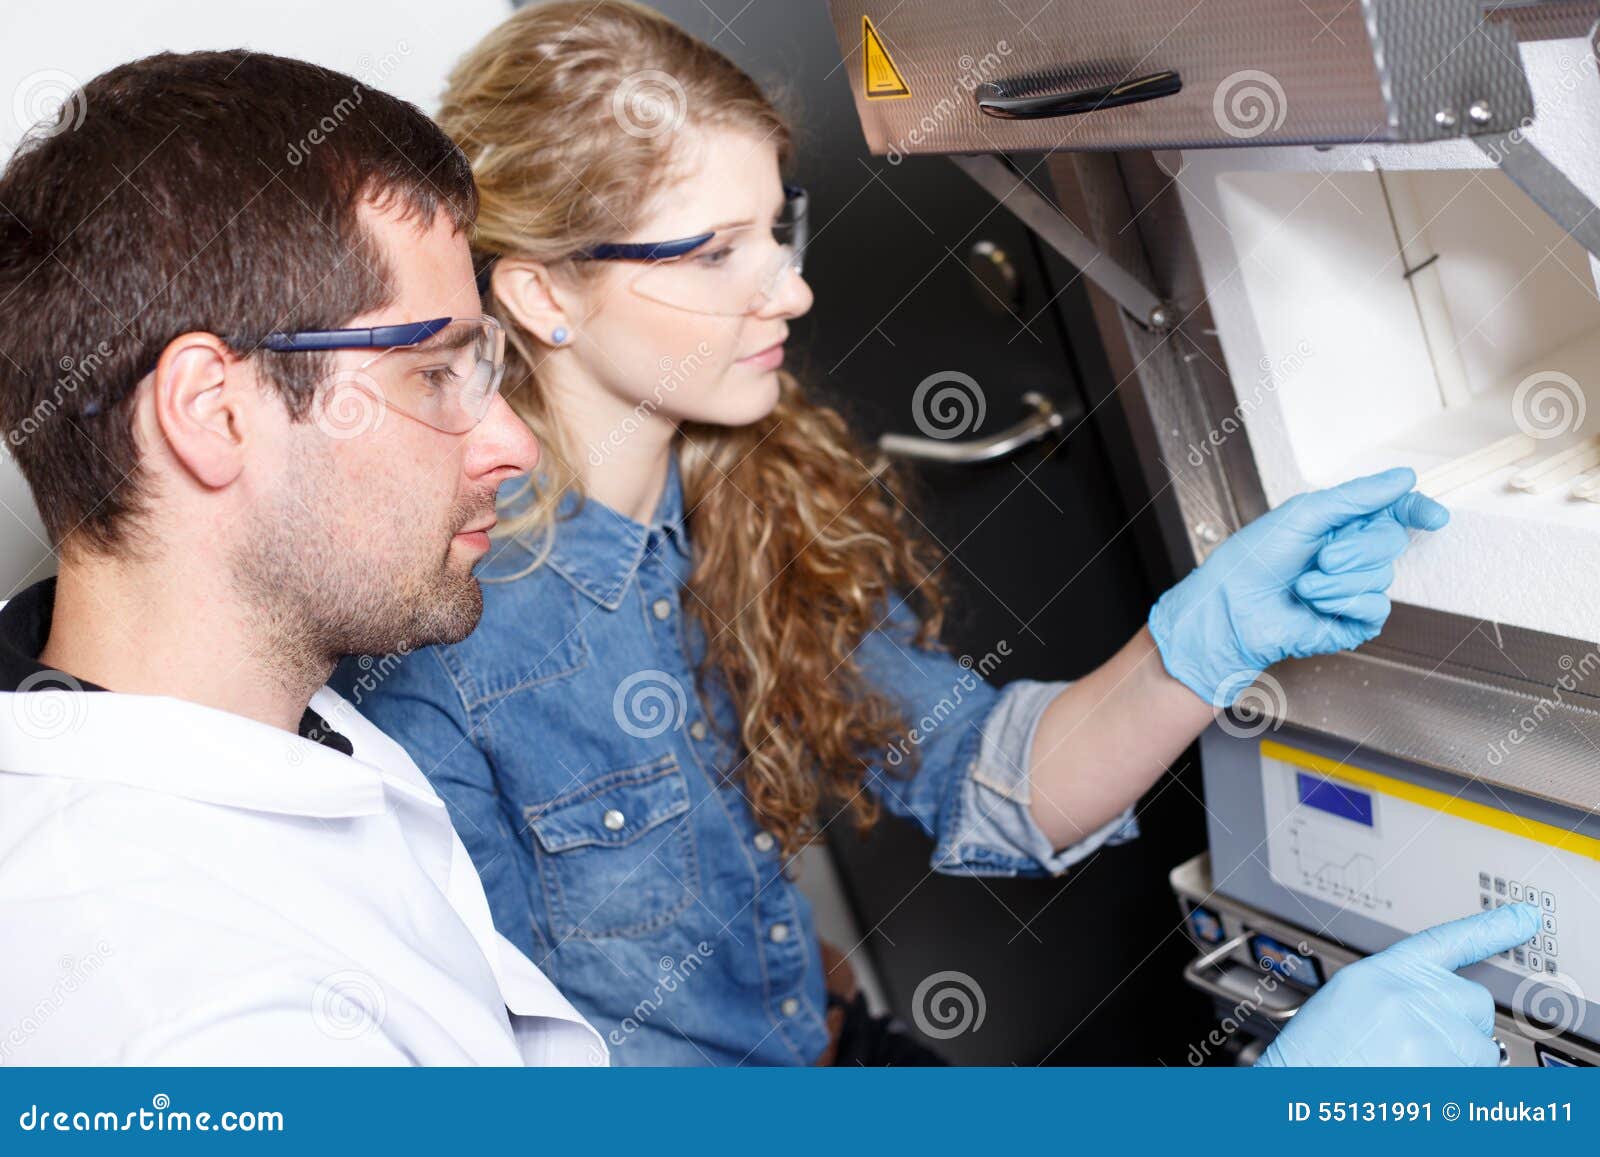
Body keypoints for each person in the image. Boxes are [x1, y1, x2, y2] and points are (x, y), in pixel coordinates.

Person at [335, 0, 1539, 1066]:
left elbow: (988, 784)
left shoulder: (747, 492)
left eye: (777, 229)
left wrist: (1201, 643)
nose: (791, 291)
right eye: (713, 254)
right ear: (542, 292)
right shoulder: (439, 627)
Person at [0, 49, 604, 1065]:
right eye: (432, 373)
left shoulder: (261, 714)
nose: (514, 445)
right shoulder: (190, 1026)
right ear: (214, 412)